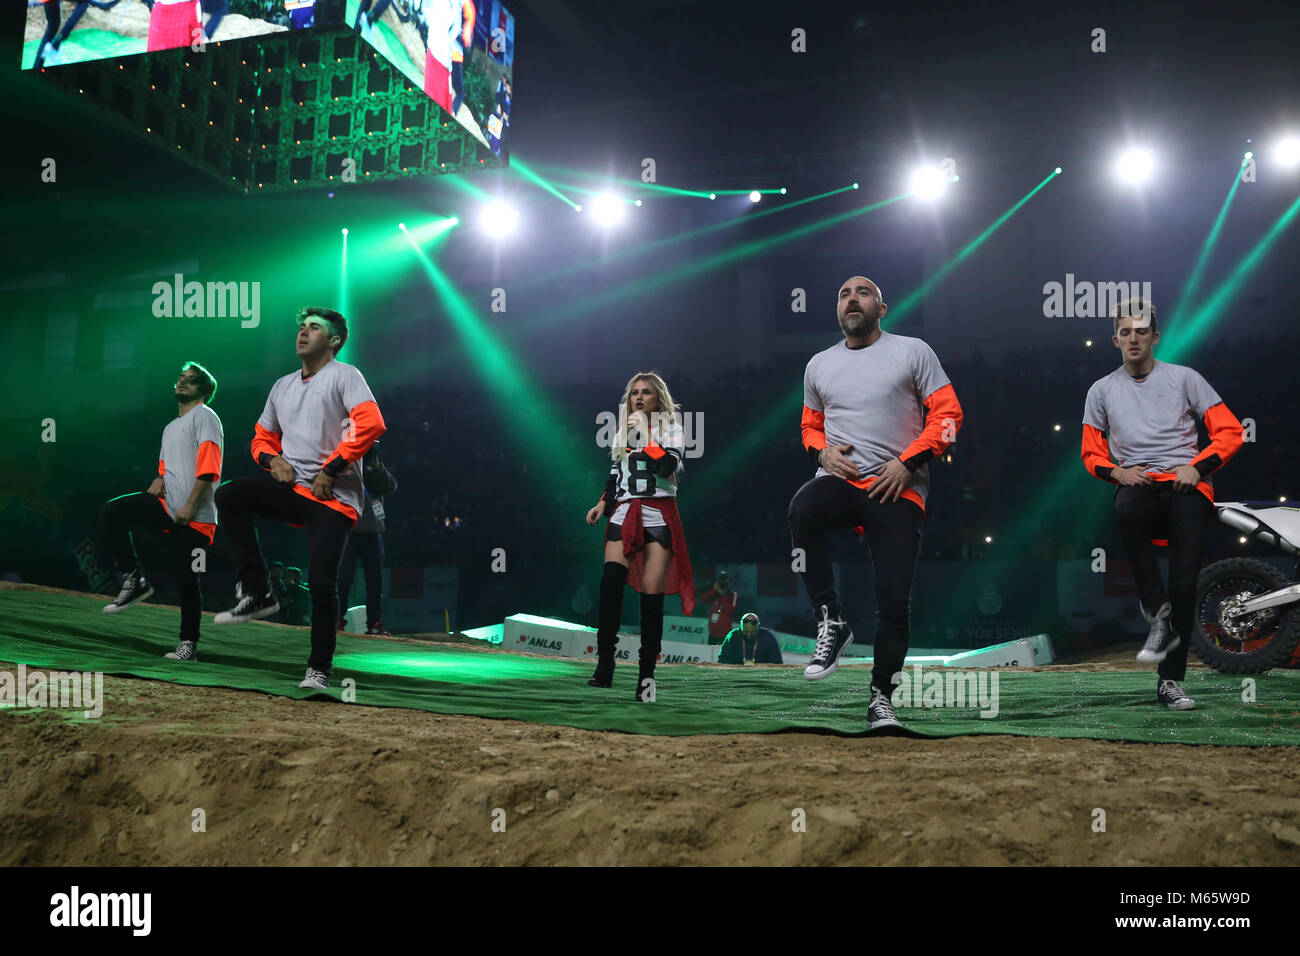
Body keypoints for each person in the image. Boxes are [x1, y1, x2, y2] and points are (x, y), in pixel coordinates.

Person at [789, 276, 963, 729]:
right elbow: (810, 427)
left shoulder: (913, 351)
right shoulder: (818, 365)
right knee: (802, 509)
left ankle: (881, 698)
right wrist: (822, 452)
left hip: (897, 488)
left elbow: (948, 416)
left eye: (863, 292)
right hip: (841, 481)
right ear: (837, 309)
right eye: (844, 293)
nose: (852, 298)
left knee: (892, 601)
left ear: (881, 308)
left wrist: (907, 463)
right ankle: (831, 620)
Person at [1082, 297, 1244, 710]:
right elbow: (1091, 453)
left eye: (1141, 331)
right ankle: (1157, 611)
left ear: (1155, 337)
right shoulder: (1101, 390)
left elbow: (1229, 432)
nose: (1133, 338)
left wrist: (1197, 466)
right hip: (1139, 482)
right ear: (1114, 339)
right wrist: (1116, 472)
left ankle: (1170, 681)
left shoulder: (1185, 378)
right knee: (1125, 508)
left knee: (1186, 585)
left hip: (1187, 487)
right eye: (1125, 331)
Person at [212, 307, 386, 690]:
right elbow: (260, 438)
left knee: (322, 582)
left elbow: (372, 424)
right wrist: (272, 460)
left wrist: (332, 468)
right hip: (292, 489)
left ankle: (319, 669)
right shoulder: (282, 385)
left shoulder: (346, 376)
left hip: (333, 496)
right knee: (229, 496)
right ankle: (257, 591)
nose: (303, 333)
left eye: (315, 328)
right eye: (302, 327)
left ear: (335, 341)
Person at [99, 362, 222, 662]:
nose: (182, 383)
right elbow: (166, 468)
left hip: (197, 516)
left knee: (186, 578)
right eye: (181, 378)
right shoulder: (170, 428)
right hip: (168, 507)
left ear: (203, 390)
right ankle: (134, 578)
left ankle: (188, 645)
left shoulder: (205, 417)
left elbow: (210, 466)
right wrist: (159, 479)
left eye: (191, 380)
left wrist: (191, 505)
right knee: (112, 512)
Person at [584, 372, 696, 701]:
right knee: (610, 585)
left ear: (658, 398)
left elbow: (666, 469)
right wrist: (603, 503)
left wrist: (644, 435)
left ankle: (646, 677)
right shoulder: (621, 431)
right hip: (624, 511)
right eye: (634, 392)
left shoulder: (672, 429)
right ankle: (605, 666)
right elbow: (616, 475)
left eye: (646, 392)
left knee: (651, 599)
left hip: (658, 512)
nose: (639, 397)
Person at [338, 444, 397, 635]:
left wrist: (376, 466)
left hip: (373, 534)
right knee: (343, 580)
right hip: (349, 532)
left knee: (375, 582)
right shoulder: (347, 467)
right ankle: (336, 620)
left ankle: (374, 624)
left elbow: (391, 486)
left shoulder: (376, 469)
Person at [717, 612, 783, 665]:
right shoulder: (733, 635)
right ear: (741, 627)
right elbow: (723, 659)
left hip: (761, 675)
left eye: (752, 632)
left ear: (758, 627)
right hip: (736, 674)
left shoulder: (768, 637)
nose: (749, 634)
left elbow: (777, 663)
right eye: (746, 632)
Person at [698, 571, 738, 645]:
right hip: (712, 634)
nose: (723, 585)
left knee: (724, 655)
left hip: (725, 634)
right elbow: (703, 600)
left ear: (729, 585)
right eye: (721, 583)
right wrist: (714, 590)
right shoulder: (714, 594)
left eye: (725, 584)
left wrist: (723, 594)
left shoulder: (733, 595)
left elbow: (730, 610)